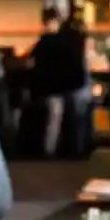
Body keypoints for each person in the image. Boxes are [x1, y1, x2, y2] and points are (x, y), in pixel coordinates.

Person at [28, 8, 85, 158]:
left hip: (50, 87)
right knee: (68, 118)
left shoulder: (45, 41)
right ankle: (70, 148)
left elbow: (31, 60)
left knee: (54, 120)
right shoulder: (69, 40)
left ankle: (50, 149)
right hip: (68, 86)